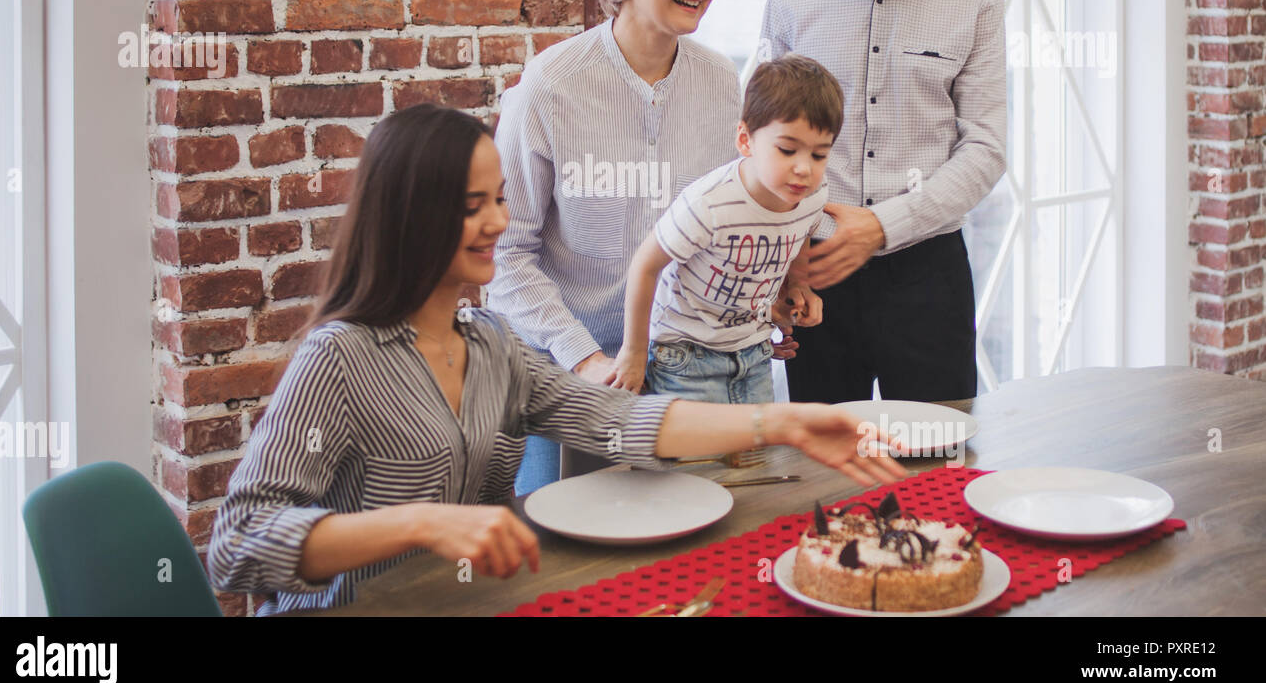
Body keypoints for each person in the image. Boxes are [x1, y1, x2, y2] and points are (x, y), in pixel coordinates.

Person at [205, 104, 907, 614]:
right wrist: (421, 523)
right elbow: (236, 544)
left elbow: (622, 419)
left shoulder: (492, 344)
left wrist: (779, 425)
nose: (499, 224)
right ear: (410, 215)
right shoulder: (340, 359)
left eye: (501, 199)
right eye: (472, 205)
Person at [490, 0, 759, 493]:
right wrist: (584, 357)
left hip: (687, 372)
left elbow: (724, 224)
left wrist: (757, 301)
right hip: (564, 377)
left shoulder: (722, 83)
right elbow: (506, 255)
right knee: (562, 557)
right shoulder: (550, 85)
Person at [758, 0, 1007, 404]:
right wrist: (777, 270)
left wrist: (881, 227)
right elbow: (766, 146)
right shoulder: (791, 2)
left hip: (929, 276)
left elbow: (986, 150)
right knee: (820, 474)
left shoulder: (978, 1)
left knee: (937, 465)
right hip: (813, 273)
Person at [607, 55, 844, 404]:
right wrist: (634, 353)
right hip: (685, 358)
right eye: (787, 150)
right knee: (695, 460)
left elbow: (802, 233)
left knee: (754, 457)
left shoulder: (812, 197)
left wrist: (798, 283)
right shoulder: (710, 204)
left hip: (754, 353)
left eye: (819, 155)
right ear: (746, 140)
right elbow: (646, 263)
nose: (804, 169)